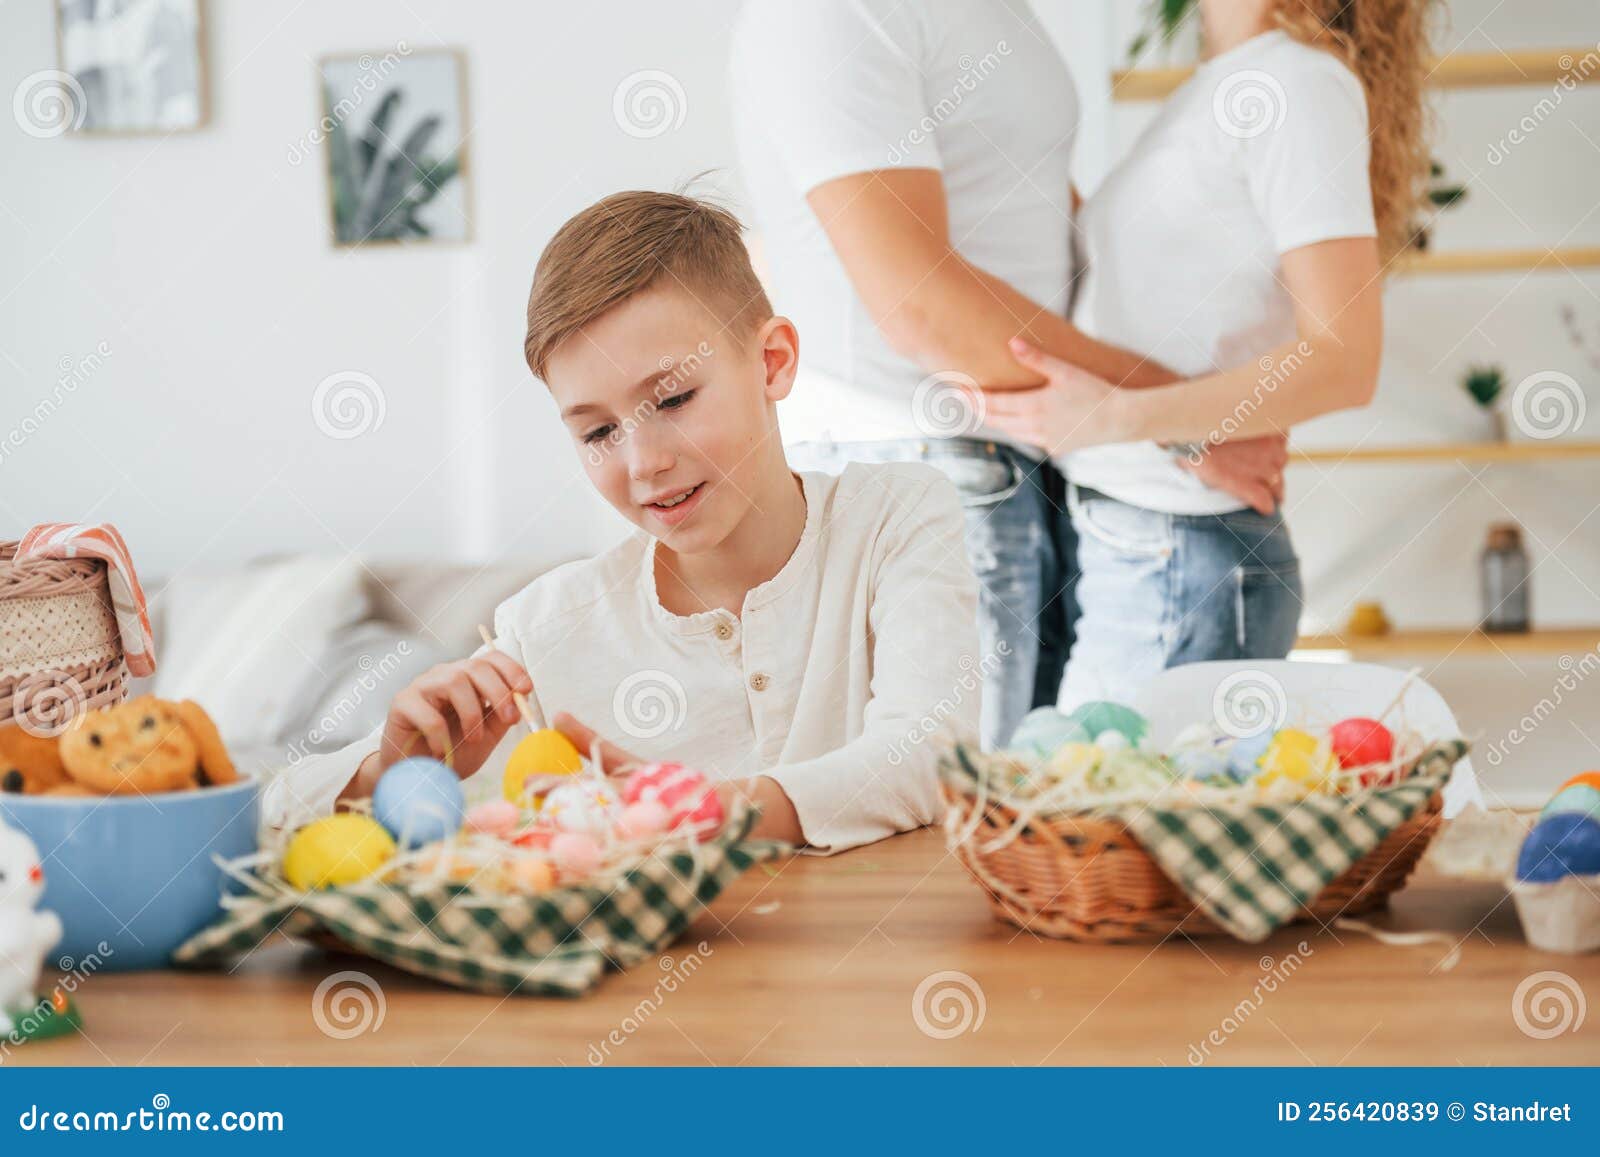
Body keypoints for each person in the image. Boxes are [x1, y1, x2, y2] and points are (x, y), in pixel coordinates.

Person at [261, 191, 980, 854]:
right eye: (599, 432)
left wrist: (698, 809)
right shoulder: (545, 630)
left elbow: (931, 758)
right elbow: (272, 810)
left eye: (673, 400)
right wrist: (390, 772)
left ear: (772, 362)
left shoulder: (894, 518)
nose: (644, 462)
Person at [730, 0, 1287, 748]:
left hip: (1023, 459)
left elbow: (1032, 214)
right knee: (950, 813)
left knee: (1037, 802)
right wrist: (1182, 414)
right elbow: (919, 303)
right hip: (921, 464)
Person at [980, 0, 1429, 705]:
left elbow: (1345, 360)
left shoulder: (1296, 83)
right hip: (1144, 545)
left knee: (1099, 781)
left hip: (1180, 560)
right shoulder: (1228, 85)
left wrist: (1117, 417)